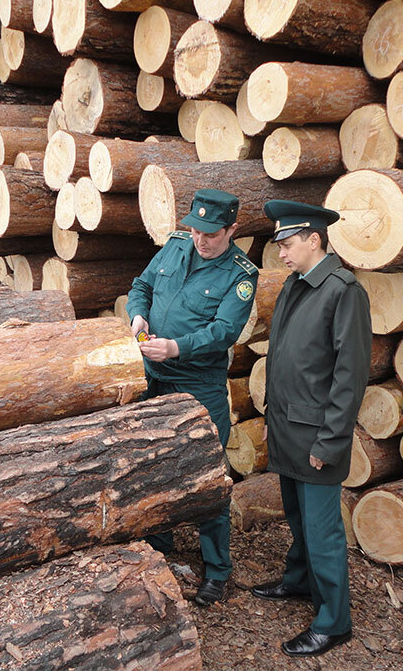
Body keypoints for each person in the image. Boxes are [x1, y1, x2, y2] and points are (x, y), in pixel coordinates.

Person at [126, 188, 259, 606]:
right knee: (153, 465)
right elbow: (142, 285)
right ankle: (159, 546)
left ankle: (217, 570)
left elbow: (224, 331)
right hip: (153, 377)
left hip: (198, 385)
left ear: (232, 229)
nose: (201, 240)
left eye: (211, 234)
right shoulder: (176, 244)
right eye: (195, 230)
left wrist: (176, 347)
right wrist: (137, 315)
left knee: (207, 476)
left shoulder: (241, 274)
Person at [250, 200, 372, 657]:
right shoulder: (294, 286)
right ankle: (299, 582)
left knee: (323, 534)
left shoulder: (343, 292)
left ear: (314, 239)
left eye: (287, 243)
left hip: (318, 436)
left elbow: (349, 376)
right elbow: (283, 359)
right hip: (287, 429)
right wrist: (269, 421)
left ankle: (334, 621)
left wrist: (332, 440)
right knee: (298, 520)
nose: (280, 252)